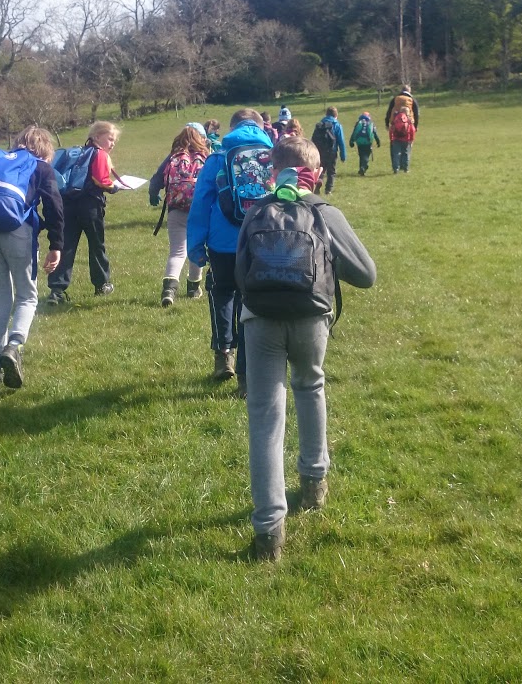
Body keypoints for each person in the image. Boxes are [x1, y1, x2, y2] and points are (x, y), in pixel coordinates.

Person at [237, 136, 376, 561]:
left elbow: (240, 270)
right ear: (312, 173)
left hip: (259, 318)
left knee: (264, 417)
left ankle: (268, 531)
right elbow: (366, 274)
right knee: (310, 387)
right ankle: (314, 483)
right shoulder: (323, 211)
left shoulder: (256, 210)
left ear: (272, 169)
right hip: (312, 317)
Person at [187, 108, 273, 385]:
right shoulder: (275, 156)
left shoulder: (217, 159)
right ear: (261, 127)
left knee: (222, 293)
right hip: (261, 239)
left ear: (231, 128)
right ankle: (248, 374)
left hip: (222, 242)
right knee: (254, 302)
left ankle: (224, 355)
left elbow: (200, 203)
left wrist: (196, 245)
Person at [0, 126, 64, 389]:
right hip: (18, 232)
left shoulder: (0, 162)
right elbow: (55, 206)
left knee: (0, 298)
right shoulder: (41, 167)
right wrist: (56, 244)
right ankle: (13, 347)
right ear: (46, 149)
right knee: (28, 295)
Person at [47, 121, 125, 304]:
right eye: (110, 138)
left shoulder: (75, 153)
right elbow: (101, 179)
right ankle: (101, 284)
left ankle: (57, 290)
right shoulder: (99, 154)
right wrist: (114, 187)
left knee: (65, 247)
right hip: (90, 207)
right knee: (97, 246)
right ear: (97, 137)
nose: (112, 143)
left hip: (67, 205)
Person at [148, 123, 210, 306]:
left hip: (176, 209)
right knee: (196, 248)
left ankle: (169, 289)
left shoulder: (173, 157)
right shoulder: (206, 157)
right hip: (200, 210)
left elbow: (156, 180)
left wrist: (153, 194)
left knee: (177, 251)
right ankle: (193, 287)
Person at [309, 107, 346, 194]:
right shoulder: (337, 125)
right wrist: (343, 155)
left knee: (321, 169)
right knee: (331, 172)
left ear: (326, 114)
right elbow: (341, 141)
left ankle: (319, 181)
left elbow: (313, 139)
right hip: (332, 152)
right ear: (336, 115)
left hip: (320, 151)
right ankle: (328, 190)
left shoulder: (320, 125)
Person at [349, 111, 381, 176]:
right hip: (368, 142)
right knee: (366, 155)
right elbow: (374, 133)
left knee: (361, 155)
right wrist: (378, 141)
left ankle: (361, 169)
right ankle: (363, 167)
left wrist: (351, 141)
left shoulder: (358, 122)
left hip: (359, 141)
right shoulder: (371, 123)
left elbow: (354, 132)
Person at [389, 105, 416, 173]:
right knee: (406, 154)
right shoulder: (408, 119)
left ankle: (396, 169)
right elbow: (412, 130)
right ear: (407, 112)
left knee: (396, 154)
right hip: (406, 139)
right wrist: (412, 139)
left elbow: (391, 129)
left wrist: (391, 138)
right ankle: (405, 169)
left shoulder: (396, 118)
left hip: (396, 139)